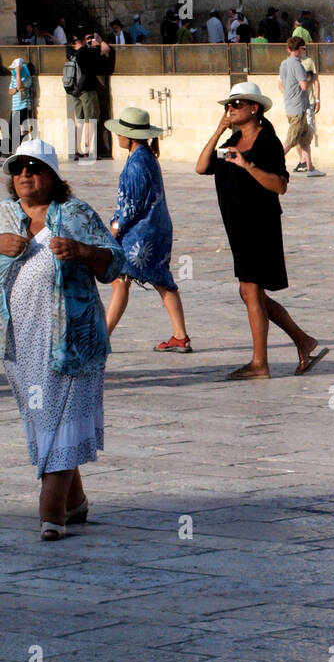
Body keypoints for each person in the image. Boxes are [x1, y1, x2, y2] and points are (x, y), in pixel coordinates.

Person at [0, 139, 124, 539]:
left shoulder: (74, 214)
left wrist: (81, 250)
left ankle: (51, 510)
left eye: (34, 168)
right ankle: (75, 501)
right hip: (19, 345)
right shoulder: (3, 216)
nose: (25, 176)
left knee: (64, 418)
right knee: (43, 420)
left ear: (53, 177)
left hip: (73, 341)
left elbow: (116, 263)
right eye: (18, 169)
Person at [195, 81, 326, 379]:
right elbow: (201, 167)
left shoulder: (266, 142)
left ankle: (259, 364)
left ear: (254, 108)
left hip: (259, 226)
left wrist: (248, 166)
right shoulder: (230, 142)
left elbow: (280, 185)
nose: (231, 109)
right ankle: (303, 341)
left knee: (250, 289)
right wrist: (218, 131)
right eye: (229, 105)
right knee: (251, 293)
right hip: (237, 228)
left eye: (236, 104)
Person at [104, 108, 192, 353]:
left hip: (139, 234)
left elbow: (130, 207)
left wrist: (114, 229)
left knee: (121, 279)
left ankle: (103, 336)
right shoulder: (147, 157)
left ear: (130, 137)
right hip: (157, 228)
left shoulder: (137, 163)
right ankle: (180, 335)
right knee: (161, 280)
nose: (118, 136)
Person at [279, 37, 322, 177]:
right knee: (291, 140)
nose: (304, 51)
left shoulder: (284, 64)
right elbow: (303, 86)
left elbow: (283, 84)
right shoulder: (297, 65)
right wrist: (312, 79)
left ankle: (310, 168)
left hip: (295, 106)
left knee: (305, 138)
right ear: (298, 49)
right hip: (297, 107)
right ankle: (271, 163)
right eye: (303, 48)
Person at [70, 32, 115, 162]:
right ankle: (91, 151)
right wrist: (100, 41)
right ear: (84, 39)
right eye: (89, 38)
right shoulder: (87, 52)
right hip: (88, 90)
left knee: (79, 120)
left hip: (75, 90)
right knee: (92, 119)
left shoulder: (73, 52)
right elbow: (106, 49)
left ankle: (77, 151)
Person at [7, 57, 34, 152]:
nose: (14, 70)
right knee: (11, 128)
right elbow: (10, 91)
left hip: (23, 106)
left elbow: (20, 85)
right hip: (15, 107)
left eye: (16, 68)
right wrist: (16, 89)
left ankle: (18, 148)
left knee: (20, 129)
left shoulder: (27, 78)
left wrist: (18, 72)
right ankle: (15, 147)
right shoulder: (14, 77)